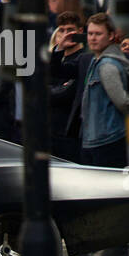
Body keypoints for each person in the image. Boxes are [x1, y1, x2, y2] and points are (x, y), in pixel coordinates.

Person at [80, 13, 129, 170]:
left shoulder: (107, 65)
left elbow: (123, 101)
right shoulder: (96, 61)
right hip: (96, 138)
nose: (93, 38)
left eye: (98, 34)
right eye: (90, 34)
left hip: (108, 140)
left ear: (111, 36)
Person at [49, 12, 88, 163]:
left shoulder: (83, 58)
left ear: (80, 31)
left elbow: (66, 94)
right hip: (51, 129)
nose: (66, 34)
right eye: (62, 30)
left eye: (70, 30)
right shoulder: (56, 57)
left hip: (69, 130)